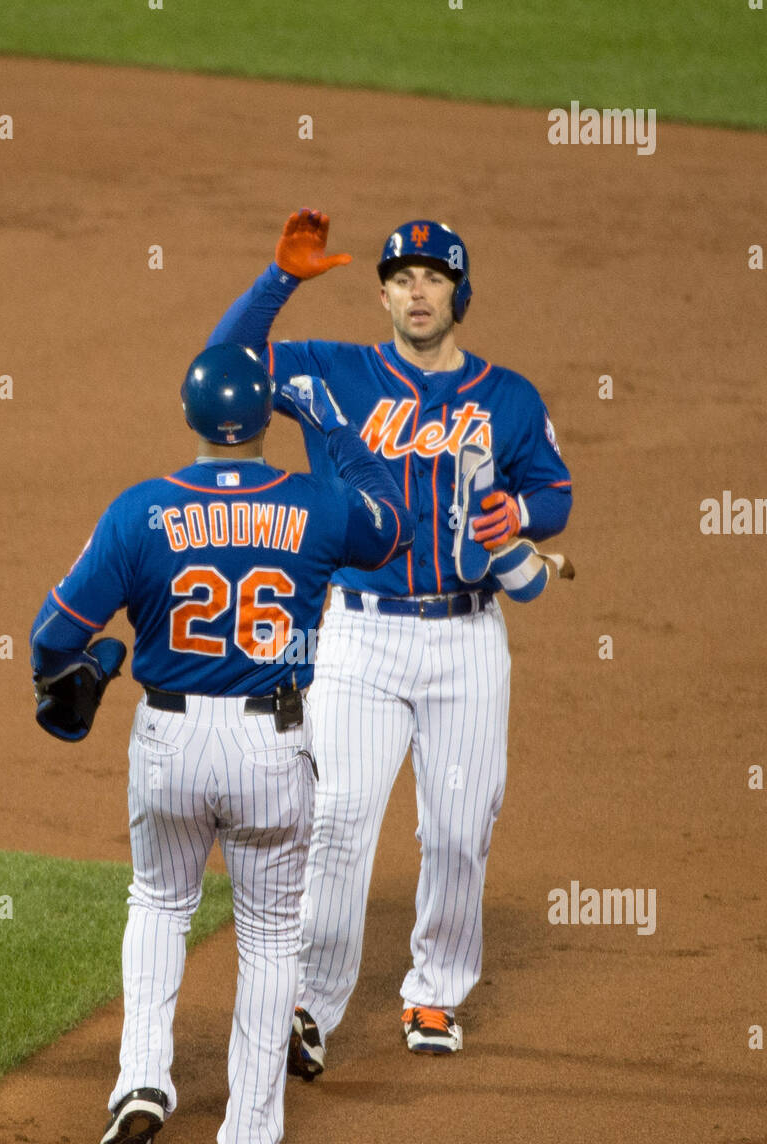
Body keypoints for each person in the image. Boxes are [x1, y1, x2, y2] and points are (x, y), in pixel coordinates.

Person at [29, 344, 412, 1144]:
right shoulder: (317, 505)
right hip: (270, 744)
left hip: (168, 742)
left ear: (190, 415)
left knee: (159, 903)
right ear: (266, 419)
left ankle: (139, 1081)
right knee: (271, 937)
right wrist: (329, 427)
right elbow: (393, 521)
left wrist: (84, 663)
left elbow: (51, 638)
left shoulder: (139, 512)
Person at [206, 210, 573, 1077]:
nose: (418, 289)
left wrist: (517, 514)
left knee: (458, 826)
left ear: (459, 294)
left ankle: (436, 988)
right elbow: (224, 366)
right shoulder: (330, 373)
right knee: (332, 818)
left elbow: (553, 493)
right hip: (358, 636)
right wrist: (278, 281)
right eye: (402, 276)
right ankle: (308, 1003)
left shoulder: (507, 397)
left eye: (434, 277)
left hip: (467, 636)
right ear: (381, 292)